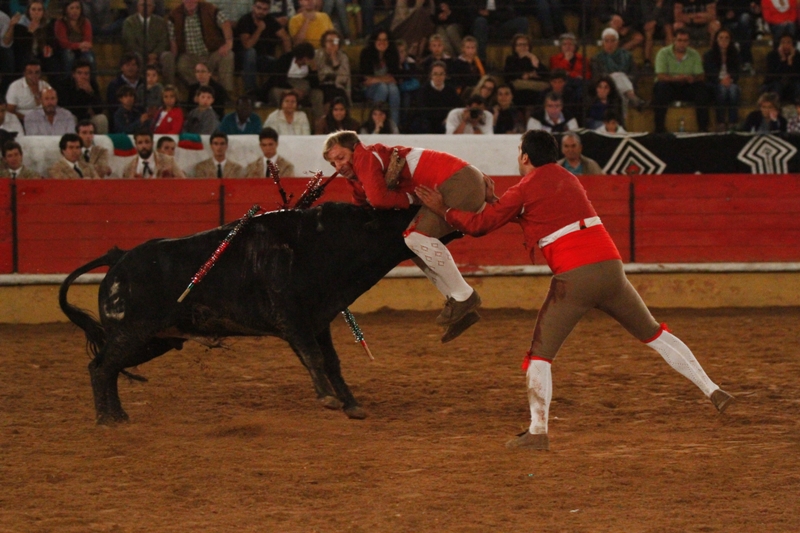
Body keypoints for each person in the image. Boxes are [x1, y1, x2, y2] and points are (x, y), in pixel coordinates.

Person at [414, 129, 734, 450]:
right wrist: (500, 203)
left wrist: (444, 210)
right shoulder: (569, 178)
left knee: (540, 355)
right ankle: (713, 389)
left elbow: (479, 226)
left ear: (525, 156)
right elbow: (539, 214)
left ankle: (538, 432)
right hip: (610, 268)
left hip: (575, 278)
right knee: (653, 333)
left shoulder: (525, 187)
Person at [322, 130, 489, 341]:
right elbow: (362, 208)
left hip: (457, 181)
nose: (338, 166)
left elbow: (380, 200)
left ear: (354, 149)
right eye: (333, 164)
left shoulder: (364, 156)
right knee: (413, 244)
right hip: (459, 179)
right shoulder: (358, 172)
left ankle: (464, 297)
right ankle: (461, 307)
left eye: (341, 158)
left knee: (415, 237)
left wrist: (409, 198)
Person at [163, 0, 235, 95]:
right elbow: (173, 41)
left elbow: (225, 23)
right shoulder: (174, 15)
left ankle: (225, 92)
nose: (190, 1)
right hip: (190, 56)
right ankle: (199, 90)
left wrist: (228, 43)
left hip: (211, 53)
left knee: (228, 56)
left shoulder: (209, 8)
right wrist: (174, 57)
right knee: (182, 65)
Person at [652, 28, 711, 133]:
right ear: (674, 40)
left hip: (687, 86)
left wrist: (692, 78)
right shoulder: (663, 53)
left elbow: (701, 75)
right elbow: (660, 75)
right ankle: (659, 128)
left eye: (685, 41)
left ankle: (703, 128)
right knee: (661, 87)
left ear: (688, 42)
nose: (682, 43)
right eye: (679, 40)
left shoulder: (694, 54)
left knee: (701, 88)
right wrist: (676, 78)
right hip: (669, 86)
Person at [236, 0, 291, 95]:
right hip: (244, 58)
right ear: (253, 7)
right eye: (259, 8)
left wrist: (288, 57)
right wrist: (259, 29)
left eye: (265, 9)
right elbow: (247, 45)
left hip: (263, 59)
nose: (261, 11)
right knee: (251, 52)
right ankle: (251, 91)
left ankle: (266, 93)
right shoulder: (245, 20)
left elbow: (285, 37)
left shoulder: (270, 20)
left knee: (280, 63)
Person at [265, 42, 324, 122]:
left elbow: (315, 85)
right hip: (286, 87)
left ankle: (318, 122)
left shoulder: (310, 66)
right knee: (275, 92)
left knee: (318, 94)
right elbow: (277, 79)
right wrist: (292, 90)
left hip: (304, 89)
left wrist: (314, 71)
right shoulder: (285, 59)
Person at [591, 28, 647, 110]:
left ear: (617, 42)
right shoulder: (597, 58)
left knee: (621, 91)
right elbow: (597, 77)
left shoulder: (627, 56)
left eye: (613, 41)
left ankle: (623, 120)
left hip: (627, 84)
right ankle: (633, 98)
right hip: (606, 87)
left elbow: (634, 74)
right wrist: (613, 77)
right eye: (607, 41)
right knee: (618, 77)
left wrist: (623, 78)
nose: (610, 44)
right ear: (603, 43)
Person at [5, 0, 59, 77]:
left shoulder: (47, 25)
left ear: (43, 12)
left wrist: (49, 48)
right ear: (28, 11)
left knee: (53, 63)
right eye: (33, 9)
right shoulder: (20, 25)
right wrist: (30, 33)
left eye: (39, 10)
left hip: (41, 54)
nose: (36, 12)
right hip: (25, 56)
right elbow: (21, 48)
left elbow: (52, 42)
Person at [359, 29, 401, 127]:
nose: (382, 42)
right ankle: (377, 125)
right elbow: (366, 80)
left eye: (385, 40)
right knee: (383, 87)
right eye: (379, 39)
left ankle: (394, 126)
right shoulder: (366, 53)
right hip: (369, 89)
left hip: (389, 87)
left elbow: (394, 78)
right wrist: (384, 79)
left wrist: (375, 79)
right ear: (374, 41)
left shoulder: (393, 53)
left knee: (393, 89)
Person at [703, 28, 741, 131]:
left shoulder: (734, 54)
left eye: (726, 38)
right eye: (721, 38)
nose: (724, 40)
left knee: (733, 90)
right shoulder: (709, 55)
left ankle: (733, 122)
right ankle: (721, 122)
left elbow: (737, 72)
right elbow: (709, 74)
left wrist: (730, 79)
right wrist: (720, 80)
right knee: (722, 90)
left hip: (730, 81)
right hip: (714, 83)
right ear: (716, 40)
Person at [55, 59, 107, 134]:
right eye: (79, 73)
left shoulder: (92, 84)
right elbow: (66, 108)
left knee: (101, 119)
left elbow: (99, 109)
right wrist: (79, 92)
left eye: (86, 74)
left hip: (87, 118)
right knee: (71, 118)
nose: (83, 77)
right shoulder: (64, 85)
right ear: (73, 74)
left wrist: (91, 93)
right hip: (72, 116)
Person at [411, 60, 462, 134]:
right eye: (435, 74)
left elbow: (457, 106)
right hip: (429, 122)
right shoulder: (423, 90)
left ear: (445, 75)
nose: (438, 77)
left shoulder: (450, 90)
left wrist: (448, 118)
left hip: (446, 122)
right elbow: (423, 110)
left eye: (441, 74)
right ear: (431, 75)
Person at [503, 33, 548, 107]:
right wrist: (530, 74)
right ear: (515, 47)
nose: (522, 47)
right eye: (520, 44)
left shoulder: (532, 58)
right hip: (519, 88)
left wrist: (533, 58)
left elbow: (545, 73)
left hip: (534, 87)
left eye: (525, 44)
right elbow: (510, 74)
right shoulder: (511, 59)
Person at [122, 0, 169, 67]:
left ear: (153, 7)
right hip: (138, 54)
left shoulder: (160, 22)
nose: (145, 8)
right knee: (137, 56)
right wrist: (147, 56)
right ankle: (140, 77)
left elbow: (163, 41)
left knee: (167, 56)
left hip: (156, 55)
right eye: (143, 5)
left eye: (149, 5)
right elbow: (130, 43)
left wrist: (155, 54)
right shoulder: (129, 22)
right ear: (137, 7)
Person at [54, 0, 96, 75]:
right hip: (65, 50)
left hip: (82, 49)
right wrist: (79, 45)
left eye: (77, 8)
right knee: (69, 56)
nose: (75, 11)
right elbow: (63, 43)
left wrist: (83, 46)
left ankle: (91, 82)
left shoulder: (85, 22)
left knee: (90, 58)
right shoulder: (60, 23)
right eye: (72, 8)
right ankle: (69, 81)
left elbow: (88, 41)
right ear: (66, 9)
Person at [105, 54, 143, 132]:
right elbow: (112, 107)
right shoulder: (114, 85)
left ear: (138, 67)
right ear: (122, 67)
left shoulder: (144, 83)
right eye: (127, 65)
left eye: (133, 65)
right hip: (122, 119)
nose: (130, 68)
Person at [315, 29, 352, 106]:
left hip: (338, 86)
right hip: (322, 85)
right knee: (331, 93)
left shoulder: (343, 56)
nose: (332, 44)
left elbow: (344, 77)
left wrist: (334, 58)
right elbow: (320, 75)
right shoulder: (318, 54)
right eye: (329, 41)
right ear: (324, 43)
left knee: (339, 94)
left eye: (335, 41)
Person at [762, 32, 800, 106]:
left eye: (789, 42)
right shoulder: (772, 55)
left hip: (792, 85)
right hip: (774, 84)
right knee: (777, 85)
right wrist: (782, 60)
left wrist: (790, 62)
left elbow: (796, 76)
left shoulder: (797, 56)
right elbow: (772, 76)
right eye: (783, 42)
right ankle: (775, 107)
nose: (786, 45)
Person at [548, 32, 590, 99]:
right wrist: (566, 60)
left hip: (579, 84)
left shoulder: (583, 59)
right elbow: (557, 74)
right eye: (564, 44)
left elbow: (587, 75)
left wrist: (568, 73)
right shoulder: (554, 59)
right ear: (561, 47)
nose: (568, 47)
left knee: (582, 88)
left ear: (575, 46)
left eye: (570, 44)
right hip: (563, 82)